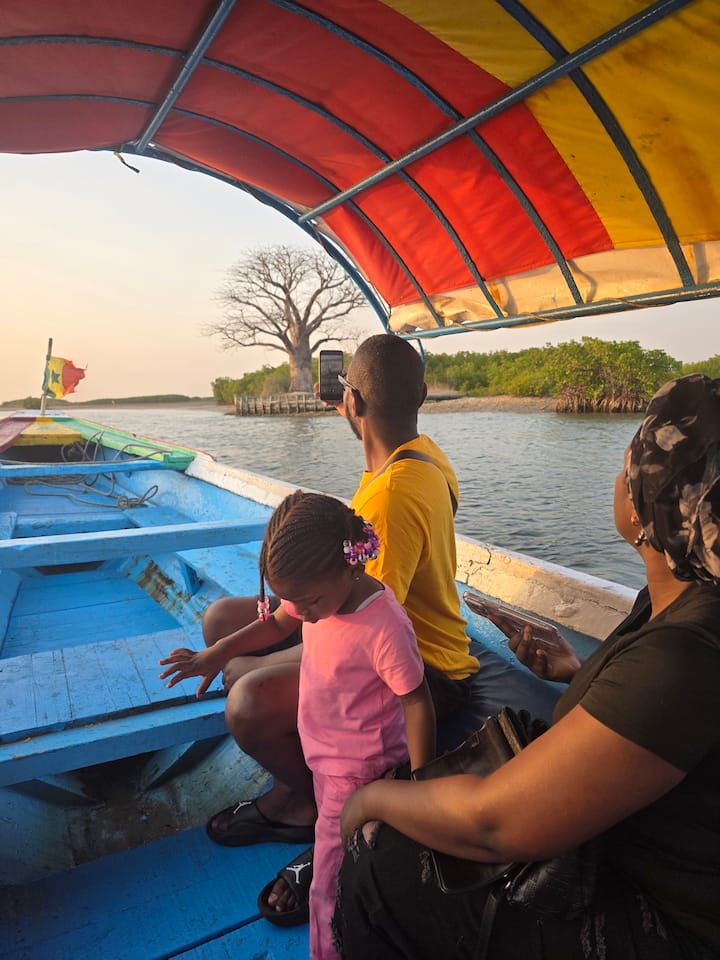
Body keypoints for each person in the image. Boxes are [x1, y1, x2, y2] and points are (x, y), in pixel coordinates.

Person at [161, 333, 559, 923]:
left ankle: (312, 807)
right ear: (420, 397)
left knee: (245, 695)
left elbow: (361, 628)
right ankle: (301, 783)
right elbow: (316, 605)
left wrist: (243, 660)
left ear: (351, 401)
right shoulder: (419, 455)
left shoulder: (388, 501)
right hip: (367, 619)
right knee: (221, 620)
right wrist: (224, 647)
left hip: (417, 663)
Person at [335, 373, 720, 960]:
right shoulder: (683, 597)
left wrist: (369, 800)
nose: (619, 477)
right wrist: (577, 672)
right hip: (640, 846)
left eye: (628, 464)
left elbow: (495, 826)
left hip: (672, 921)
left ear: (649, 507)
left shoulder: (685, 650)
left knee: (382, 860)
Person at [163, 490, 436, 958]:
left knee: (326, 886)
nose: (301, 612)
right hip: (324, 751)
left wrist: (422, 781)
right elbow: (275, 623)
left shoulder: (385, 627)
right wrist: (216, 653)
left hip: (357, 770)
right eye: (292, 600)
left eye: (308, 602)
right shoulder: (318, 595)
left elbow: (417, 701)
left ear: (352, 567)